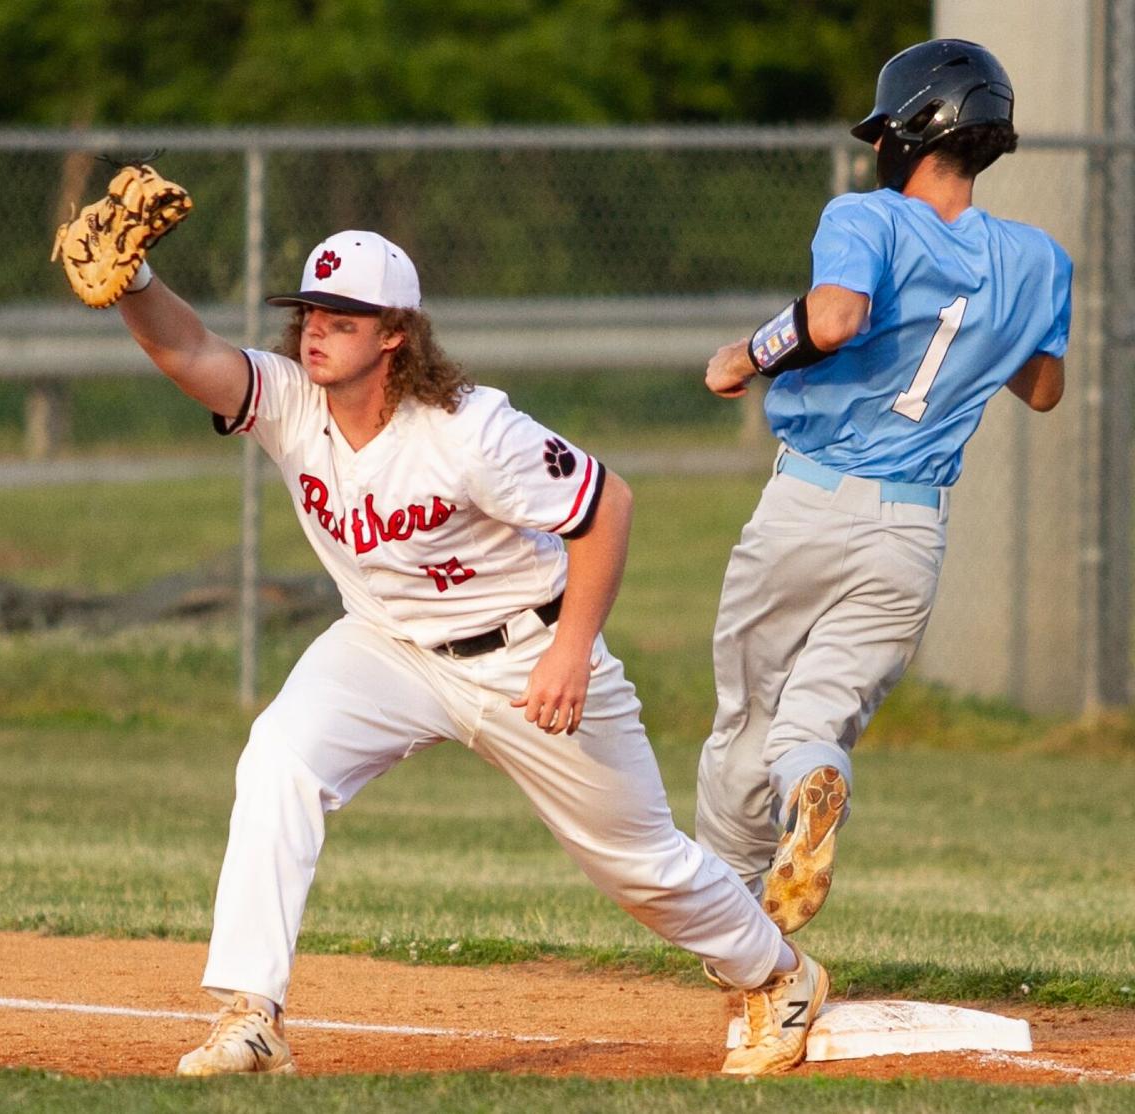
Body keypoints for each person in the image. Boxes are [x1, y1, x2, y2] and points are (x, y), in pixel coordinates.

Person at [101, 227, 828, 1076]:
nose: (317, 329)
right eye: (311, 312)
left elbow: (608, 506)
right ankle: (251, 1017)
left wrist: (571, 648)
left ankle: (781, 975)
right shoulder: (293, 402)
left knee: (640, 868)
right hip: (387, 646)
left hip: (528, 652)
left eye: (344, 317)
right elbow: (184, 346)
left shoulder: (470, 430)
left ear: (395, 334)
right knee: (278, 760)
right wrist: (134, 282)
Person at [694, 39, 1071, 937]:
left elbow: (836, 318)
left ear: (911, 133)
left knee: (747, 719)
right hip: (912, 533)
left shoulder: (866, 218)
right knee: (815, 718)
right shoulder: (1036, 258)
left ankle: (725, 914)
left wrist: (748, 356)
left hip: (811, 503)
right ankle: (815, 783)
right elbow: (1045, 388)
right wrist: (980, 337)